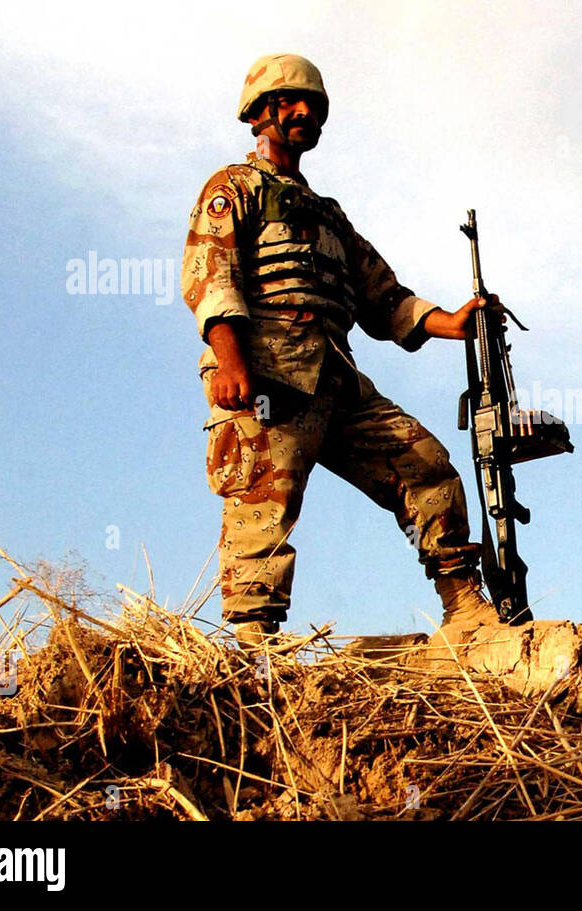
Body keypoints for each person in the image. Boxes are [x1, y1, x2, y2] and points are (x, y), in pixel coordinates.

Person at [180, 53, 505, 649]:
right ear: (260, 112)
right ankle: (256, 649)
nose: (305, 112)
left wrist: (449, 323)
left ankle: (463, 604)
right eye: (289, 102)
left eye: (315, 105)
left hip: (333, 373)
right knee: (262, 507)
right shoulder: (233, 189)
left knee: (425, 466)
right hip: (265, 373)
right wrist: (230, 362)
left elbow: (384, 297)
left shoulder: (329, 216)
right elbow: (210, 277)